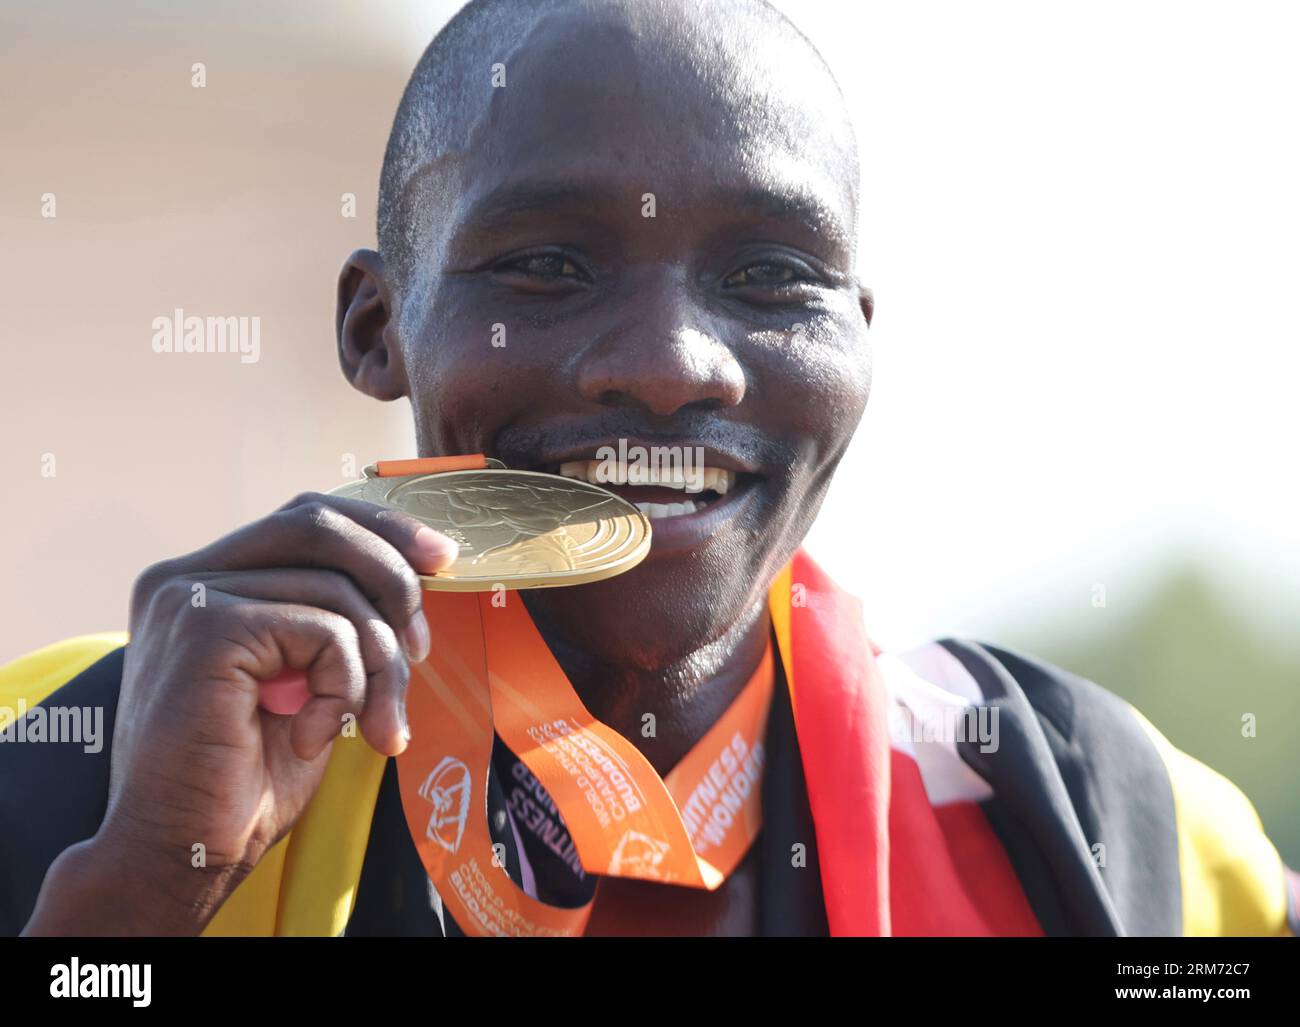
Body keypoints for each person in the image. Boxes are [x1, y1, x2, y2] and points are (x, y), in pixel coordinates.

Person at [2, 0, 1296, 937]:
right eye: (547, 267)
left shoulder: (1107, 837)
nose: (674, 366)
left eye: (771, 277)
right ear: (375, 328)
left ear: (858, 339)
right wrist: (134, 901)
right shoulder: (78, 760)